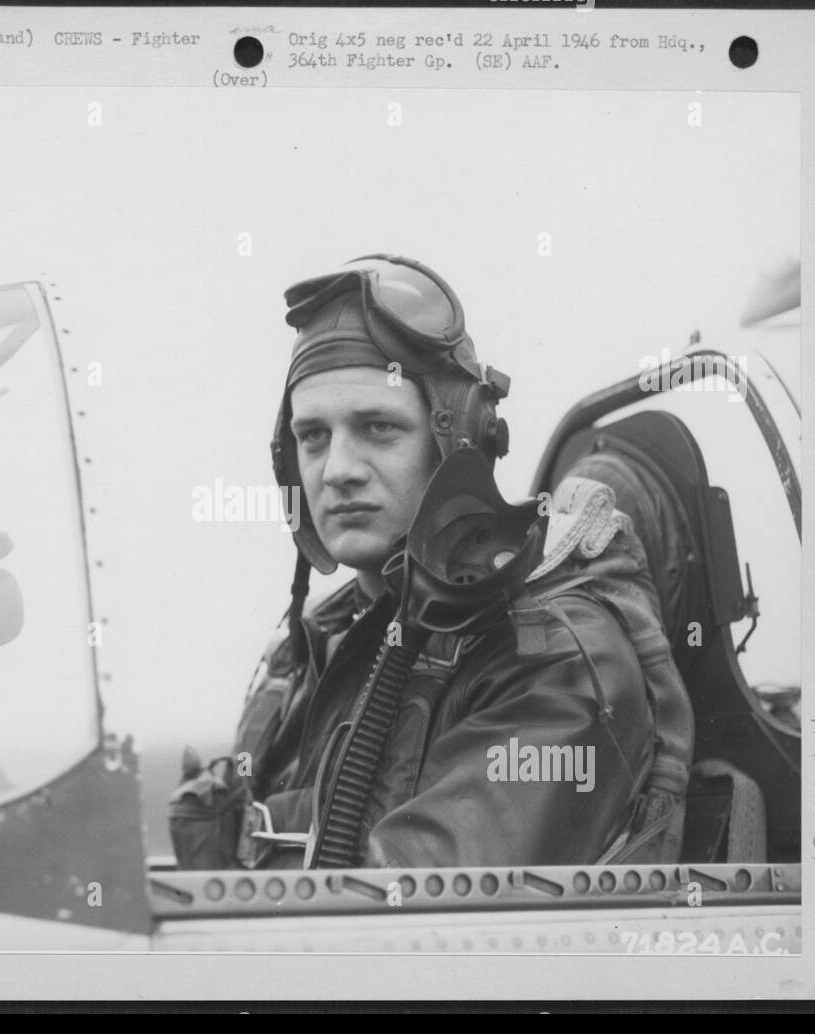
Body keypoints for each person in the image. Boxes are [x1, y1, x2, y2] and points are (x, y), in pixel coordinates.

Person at [169, 255, 693, 871]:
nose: (337, 470)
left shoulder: (554, 662)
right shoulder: (310, 654)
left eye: (378, 428)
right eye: (313, 436)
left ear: (458, 441)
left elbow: (406, 915)